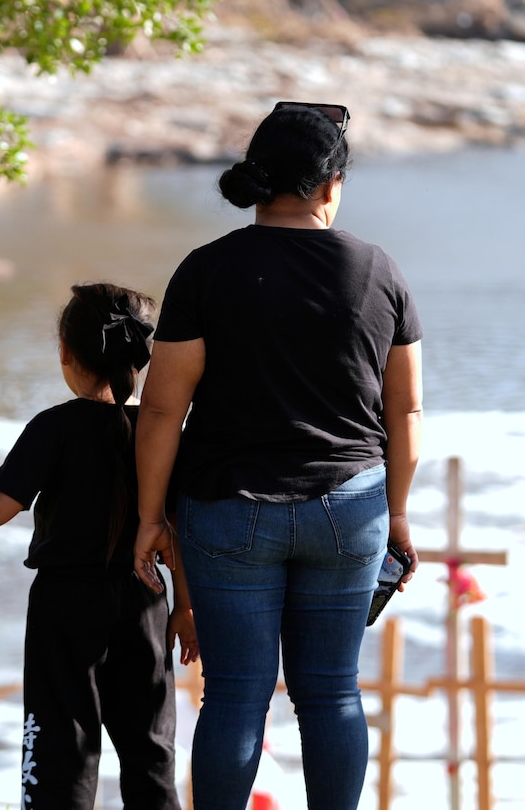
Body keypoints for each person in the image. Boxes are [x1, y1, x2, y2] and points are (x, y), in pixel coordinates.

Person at [131, 103, 424, 810]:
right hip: (349, 510)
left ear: (260, 184)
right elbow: (406, 412)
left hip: (230, 512)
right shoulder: (377, 270)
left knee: (236, 693)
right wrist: (399, 519)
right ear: (332, 185)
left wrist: (150, 518)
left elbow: (165, 409)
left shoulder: (205, 271)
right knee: (330, 693)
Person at [0, 283, 191, 810]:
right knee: (151, 755)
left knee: (60, 756)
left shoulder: (55, 427)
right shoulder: (160, 430)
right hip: (145, 602)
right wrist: (184, 607)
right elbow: (180, 527)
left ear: (65, 353)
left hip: (66, 607)